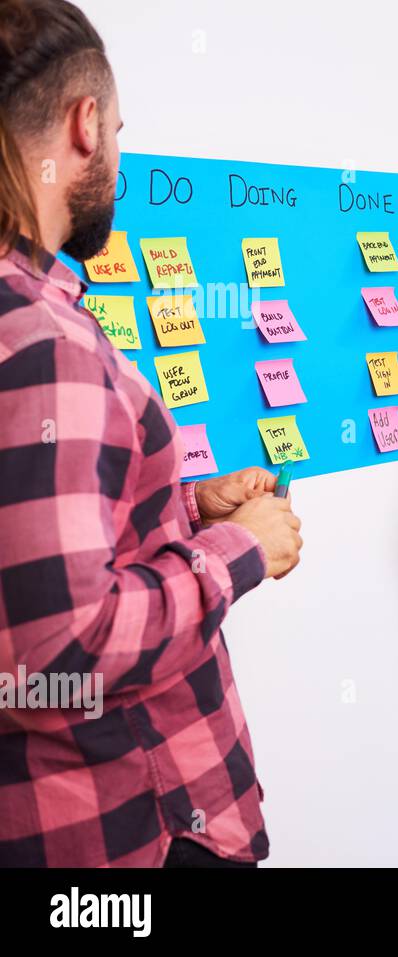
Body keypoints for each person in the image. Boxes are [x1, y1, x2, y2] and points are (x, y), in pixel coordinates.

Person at [0, 0, 302, 867]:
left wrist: (183, 503)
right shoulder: (43, 343)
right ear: (85, 125)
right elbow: (60, 649)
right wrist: (238, 548)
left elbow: (39, 551)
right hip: (134, 829)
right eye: (122, 131)